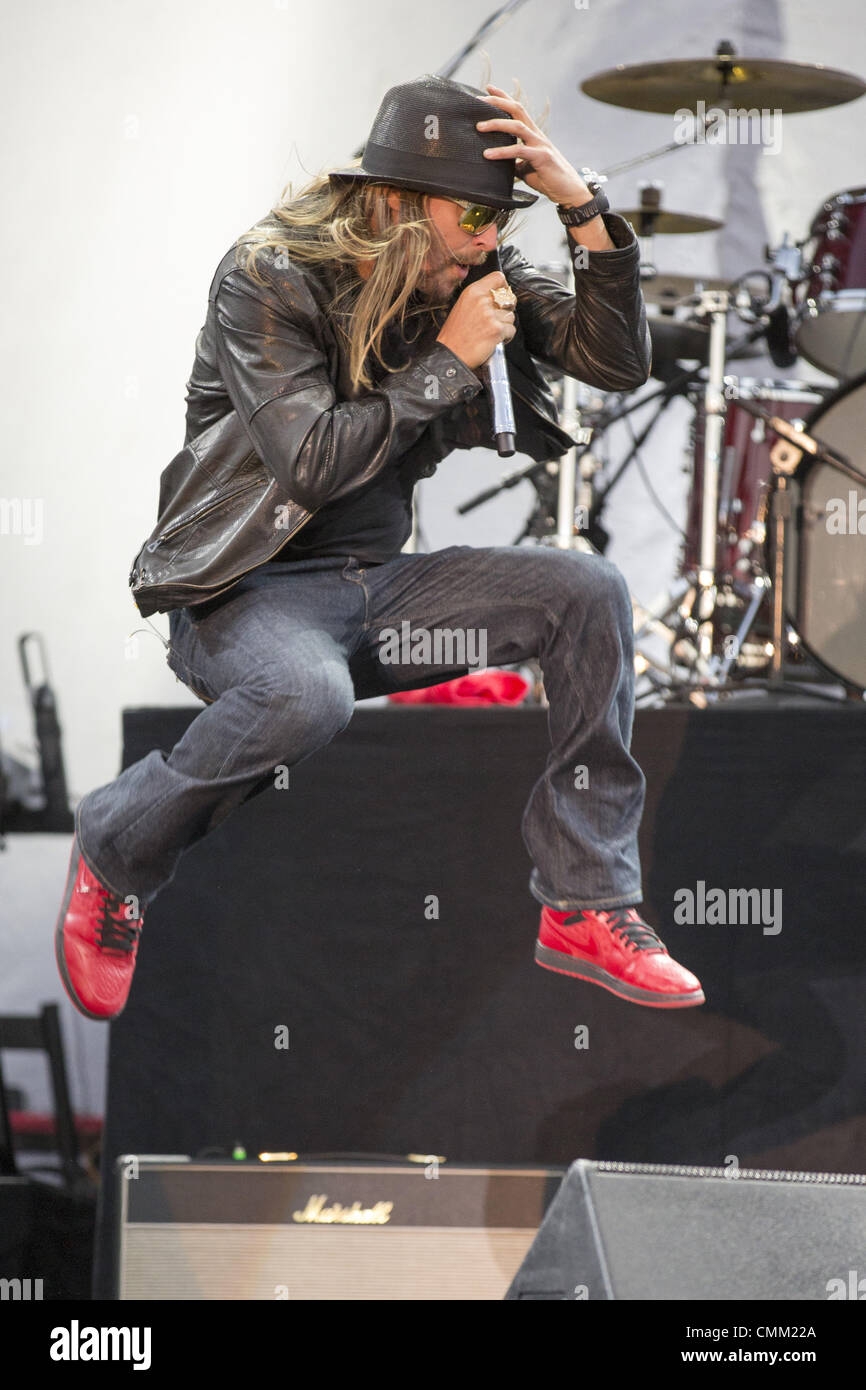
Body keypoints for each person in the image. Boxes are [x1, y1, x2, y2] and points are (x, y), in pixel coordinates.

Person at [54, 73, 704, 1022]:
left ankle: (586, 901)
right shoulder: (267, 276)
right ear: (396, 203)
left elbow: (615, 362)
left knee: (587, 589)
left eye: (503, 216)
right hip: (247, 593)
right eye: (471, 214)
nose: (490, 236)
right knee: (307, 693)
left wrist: (585, 209)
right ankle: (116, 847)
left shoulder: (470, 270)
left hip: (376, 595)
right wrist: (448, 362)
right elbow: (312, 462)